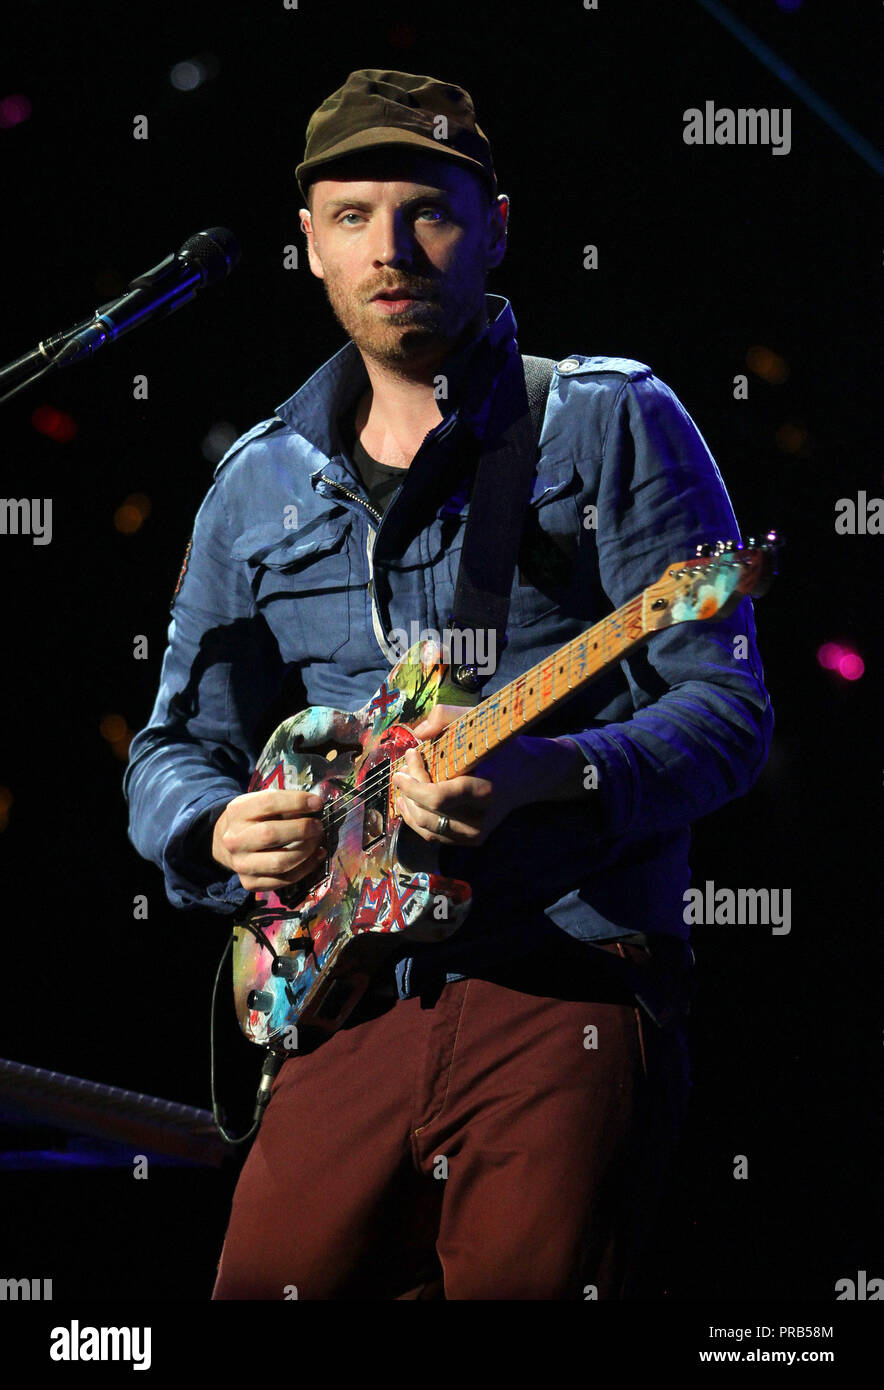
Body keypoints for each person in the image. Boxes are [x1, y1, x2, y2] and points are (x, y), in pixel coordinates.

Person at [124, 69, 773, 1300]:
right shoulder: (254, 483)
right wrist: (215, 824)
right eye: (353, 214)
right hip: (338, 1005)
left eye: (426, 209)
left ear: (495, 227)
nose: (391, 246)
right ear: (306, 242)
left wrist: (552, 770)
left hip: (563, 983)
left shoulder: (607, 421)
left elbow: (727, 713)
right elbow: (170, 748)